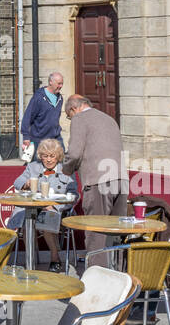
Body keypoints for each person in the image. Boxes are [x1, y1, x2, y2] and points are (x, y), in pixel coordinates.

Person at [62, 94, 126, 261]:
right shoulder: (109, 119)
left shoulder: (79, 119)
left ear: (73, 109)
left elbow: (74, 153)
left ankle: (97, 279)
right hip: (121, 180)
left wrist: (66, 169)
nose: (71, 119)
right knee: (117, 234)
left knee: (96, 234)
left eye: (69, 117)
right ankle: (118, 278)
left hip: (98, 181)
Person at [11, 137, 78, 271]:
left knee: (47, 220)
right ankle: (30, 262)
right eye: (45, 156)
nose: (48, 160)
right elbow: (17, 182)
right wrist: (25, 183)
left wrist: (56, 206)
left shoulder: (66, 169)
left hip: (58, 210)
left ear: (58, 156)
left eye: (52, 156)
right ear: (40, 156)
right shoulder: (33, 167)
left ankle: (55, 258)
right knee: (26, 224)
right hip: (33, 208)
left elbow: (74, 195)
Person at [20, 71, 64, 160]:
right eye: (59, 83)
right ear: (51, 82)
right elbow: (28, 117)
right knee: (37, 166)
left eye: (62, 83)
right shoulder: (38, 98)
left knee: (61, 161)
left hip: (55, 137)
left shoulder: (60, 98)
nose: (61, 86)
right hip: (39, 138)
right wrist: (26, 136)